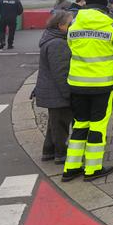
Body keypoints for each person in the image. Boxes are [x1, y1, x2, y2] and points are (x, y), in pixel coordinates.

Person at [63, 0, 113, 182]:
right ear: (103, 3)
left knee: (80, 123)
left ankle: (71, 167)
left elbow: (70, 46)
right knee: (98, 125)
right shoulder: (110, 25)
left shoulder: (74, 24)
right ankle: (93, 168)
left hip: (77, 84)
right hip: (102, 84)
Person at [33, 10, 73, 164]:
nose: (72, 26)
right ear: (61, 25)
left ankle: (48, 151)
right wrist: (68, 93)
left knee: (54, 123)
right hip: (56, 92)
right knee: (61, 124)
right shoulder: (58, 43)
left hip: (49, 90)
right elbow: (61, 73)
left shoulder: (50, 37)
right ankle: (60, 154)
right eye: (70, 23)